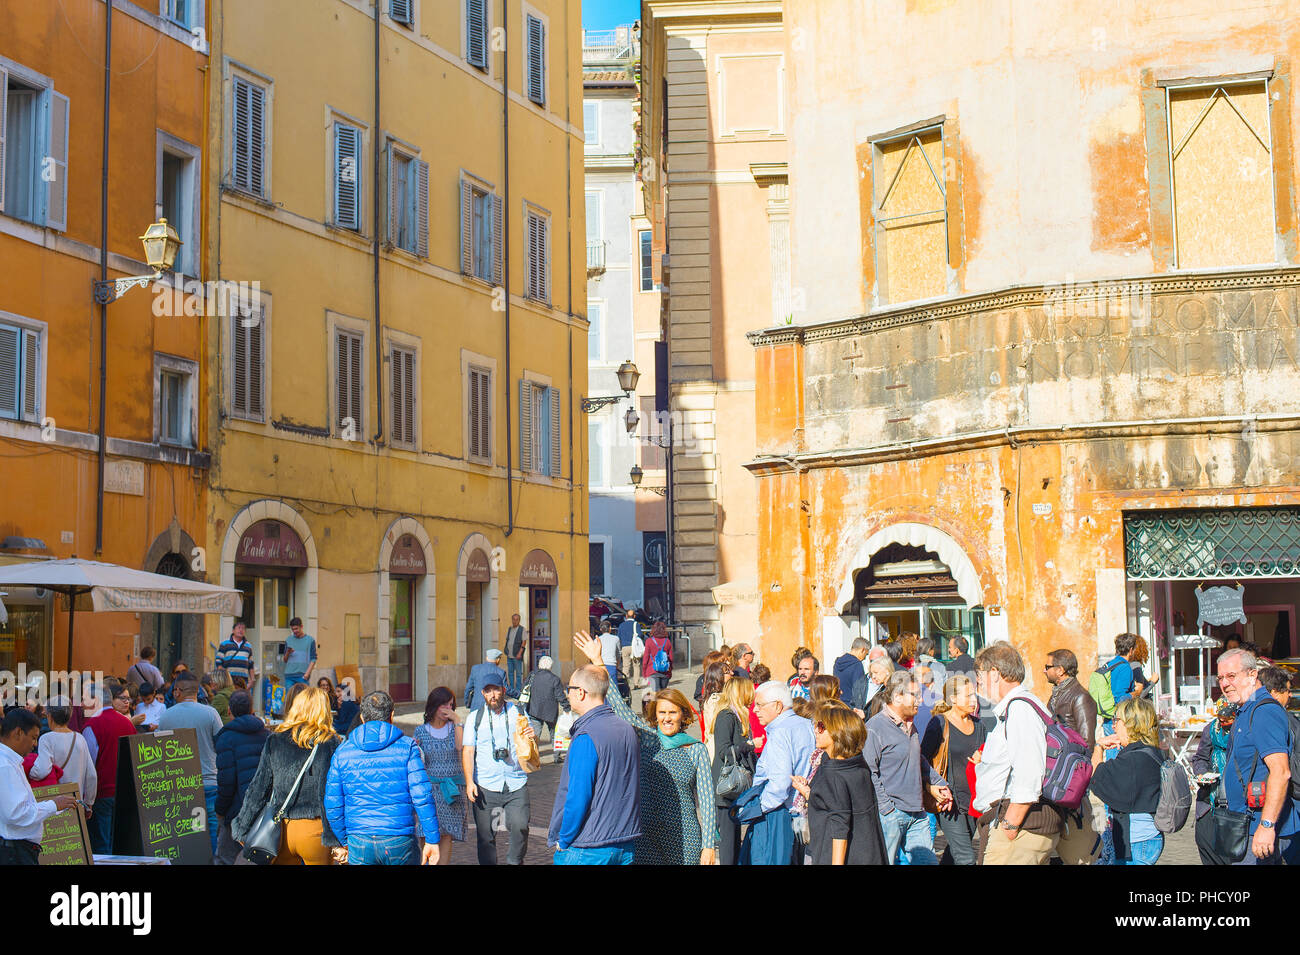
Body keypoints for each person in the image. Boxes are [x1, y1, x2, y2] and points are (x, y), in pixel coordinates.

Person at [573, 632, 717, 864]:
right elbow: (619, 707)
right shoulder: (648, 738)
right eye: (662, 713)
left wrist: (708, 845)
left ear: (683, 715)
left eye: (673, 712)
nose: (667, 718)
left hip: (684, 836)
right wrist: (599, 662)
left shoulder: (695, 749)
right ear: (655, 715)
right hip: (644, 835)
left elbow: (707, 802)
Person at [973, 642, 1062, 865]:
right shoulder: (1017, 707)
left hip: (1018, 827)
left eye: (979, 677)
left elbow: (1029, 770)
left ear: (994, 673)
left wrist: (1010, 825)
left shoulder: (1020, 708)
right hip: (1014, 824)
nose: (978, 684)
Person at [325, 690, 439, 865]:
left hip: (359, 838)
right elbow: (422, 795)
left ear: (362, 718)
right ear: (392, 715)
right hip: (399, 837)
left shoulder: (343, 751)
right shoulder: (407, 747)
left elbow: (333, 804)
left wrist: (346, 840)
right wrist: (432, 839)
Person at [233, 688, 342, 865]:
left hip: (280, 829)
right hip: (314, 829)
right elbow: (328, 794)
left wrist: (242, 827)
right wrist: (335, 837)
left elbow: (258, 788)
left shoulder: (275, 740)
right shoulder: (328, 742)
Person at [548, 662, 642, 864]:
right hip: (624, 842)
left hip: (589, 846)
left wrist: (563, 839)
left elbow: (578, 795)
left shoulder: (586, 735)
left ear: (580, 692)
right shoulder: (626, 729)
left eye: (569, 689)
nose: (568, 694)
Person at [1216, 648, 1300, 864]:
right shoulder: (1246, 708)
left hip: (1260, 827)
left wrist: (1267, 825)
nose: (1225, 684)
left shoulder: (1264, 711)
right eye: (1221, 678)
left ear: (1253, 675)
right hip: (1245, 825)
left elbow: (1280, 772)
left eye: (1232, 676)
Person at [864, 671, 952, 865]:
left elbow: (918, 760)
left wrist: (939, 782)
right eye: (914, 695)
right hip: (890, 813)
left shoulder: (910, 726)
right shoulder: (875, 727)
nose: (920, 700)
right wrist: (887, 808)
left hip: (917, 812)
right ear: (897, 697)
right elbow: (869, 771)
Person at [792, 701, 887, 865]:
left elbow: (839, 828)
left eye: (821, 726)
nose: (816, 730)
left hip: (840, 856)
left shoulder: (834, 772)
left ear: (837, 732)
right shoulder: (857, 763)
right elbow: (839, 803)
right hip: (868, 852)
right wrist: (808, 791)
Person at [462, 673, 533, 865]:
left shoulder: (518, 712)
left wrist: (531, 734)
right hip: (486, 785)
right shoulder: (475, 718)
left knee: (520, 826)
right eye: (487, 691)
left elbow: (529, 737)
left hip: (516, 782)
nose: (492, 695)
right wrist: (469, 782)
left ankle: (514, 861)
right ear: (483, 694)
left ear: (503, 690)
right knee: (486, 838)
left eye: (495, 689)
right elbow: (468, 751)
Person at [1088, 697, 1165, 865]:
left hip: (1136, 843)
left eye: (1117, 720)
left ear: (1131, 724)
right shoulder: (1150, 752)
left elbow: (1095, 776)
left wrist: (1098, 747)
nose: (1114, 725)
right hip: (1148, 837)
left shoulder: (1133, 760)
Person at [746, 680, 816, 865]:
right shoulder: (807, 725)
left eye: (759, 705)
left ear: (778, 706)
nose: (755, 710)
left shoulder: (780, 733)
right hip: (802, 814)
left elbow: (779, 784)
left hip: (781, 816)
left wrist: (757, 808)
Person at [921, 673, 986, 865]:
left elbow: (988, 754)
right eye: (968, 696)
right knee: (966, 857)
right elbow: (922, 759)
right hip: (949, 800)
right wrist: (931, 787)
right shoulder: (940, 723)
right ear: (953, 698)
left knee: (954, 852)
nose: (974, 701)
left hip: (973, 799)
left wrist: (983, 758)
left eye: (974, 695)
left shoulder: (978, 725)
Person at [1045, 648, 1101, 864]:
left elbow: (1086, 742)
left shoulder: (1080, 696)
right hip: (1055, 771)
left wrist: (1077, 777)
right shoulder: (1058, 692)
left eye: (1048, 667)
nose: (1044, 671)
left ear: (1060, 670)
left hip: (1069, 774)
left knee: (1075, 837)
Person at [0, 709, 78, 865]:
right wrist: (53, 805)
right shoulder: (5, 765)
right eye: (33, 738)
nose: (34, 744)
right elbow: (16, 814)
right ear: (18, 733)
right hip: (15, 852)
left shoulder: (10, 762)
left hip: (18, 849)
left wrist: (55, 806)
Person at [159, 674, 225, 855]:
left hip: (180, 786)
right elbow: (221, 745)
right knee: (210, 830)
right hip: (209, 782)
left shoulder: (166, 717)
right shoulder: (210, 713)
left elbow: (159, 752)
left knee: (187, 834)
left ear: (178, 691)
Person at [214, 691, 269, 865]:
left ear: (229, 711)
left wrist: (220, 810)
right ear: (252, 709)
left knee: (225, 856)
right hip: (262, 809)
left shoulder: (226, 738)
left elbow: (226, 782)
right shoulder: (267, 735)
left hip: (236, 811)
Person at [413, 687, 467, 865]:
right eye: (444, 704)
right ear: (434, 706)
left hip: (451, 792)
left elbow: (460, 747)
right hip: (430, 792)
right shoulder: (421, 731)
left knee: (446, 836)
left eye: (451, 705)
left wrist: (458, 721)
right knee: (427, 835)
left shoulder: (456, 728)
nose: (448, 709)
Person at [82, 681, 136, 854]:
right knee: (119, 843)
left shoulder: (92, 726)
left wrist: (87, 800)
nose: (82, 704)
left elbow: (89, 766)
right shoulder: (127, 723)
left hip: (102, 793)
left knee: (101, 844)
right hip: (124, 792)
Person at [710, 675, 756, 865]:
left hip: (734, 789)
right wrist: (749, 745)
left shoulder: (736, 715)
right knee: (728, 842)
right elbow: (723, 751)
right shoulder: (726, 716)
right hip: (726, 786)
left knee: (734, 838)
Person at [1192, 697, 1240, 865]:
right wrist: (1201, 773)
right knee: (1206, 844)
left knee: (1229, 853)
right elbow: (1200, 758)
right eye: (1220, 717)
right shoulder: (1211, 729)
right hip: (1209, 799)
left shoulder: (1242, 730)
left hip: (1234, 802)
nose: (1223, 721)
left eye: (1227, 719)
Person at [37, 701, 97, 812]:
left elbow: (41, 771)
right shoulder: (80, 738)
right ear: (69, 716)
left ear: (50, 717)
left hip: (54, 804)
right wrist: (89, 803)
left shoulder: (46, 739)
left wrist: (29, 771)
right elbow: (91, 775)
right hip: (75, 803)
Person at [524, 656, 569, 762]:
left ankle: (533, 757)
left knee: (535, 735)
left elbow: (524, 689)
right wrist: (567, 708)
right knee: (554, 735)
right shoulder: (555, 679)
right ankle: (556, 757)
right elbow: (560, 696)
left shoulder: (532, 675)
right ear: (551, 666)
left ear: (539, 665)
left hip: (534, 710)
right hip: (551, 712)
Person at [698, 660, 731, 748]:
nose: (732, 673)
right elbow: (718, 728)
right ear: (718, 677)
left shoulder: (722, 696)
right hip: (718, 747)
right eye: (727, 672)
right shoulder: (715, 700)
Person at [215, 622, 257, 688]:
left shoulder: (248, 646)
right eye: (239, 628)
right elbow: (218, 662)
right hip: (229, 680)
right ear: (233, 630)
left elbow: (251, 664)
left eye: (243, 628)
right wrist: (224, 677)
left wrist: (252, 679)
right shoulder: (225, 644)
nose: (241, 630)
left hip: (243, 681)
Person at [282, 617, 317, 688]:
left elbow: (313, 659)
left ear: (301, 626)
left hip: (303, 676)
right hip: (289, 675)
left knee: (304, 698)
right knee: (290, 698)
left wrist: (307, 674)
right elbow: (285, 660)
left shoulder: (310, 640)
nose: (294, 631)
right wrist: (288, 652)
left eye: (296, 629)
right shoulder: (288, 639)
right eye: (292, 629)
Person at [641, 621, 674, 692]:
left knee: (655, 694)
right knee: (663, 694)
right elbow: (671, 658)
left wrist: (644, 672)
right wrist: (670, 671)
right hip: (665, 671)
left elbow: (645, 658)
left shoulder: (649, 641)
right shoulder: (667, 641)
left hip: (652, 671)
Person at [504, 614, 528, 697]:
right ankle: (511, 689)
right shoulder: (509, 629)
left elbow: (524, 642)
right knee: (510, 673)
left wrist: (520, 653)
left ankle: (517, 690)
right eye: (513, 619)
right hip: (509, 655)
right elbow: (507, 640)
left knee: (518, 674)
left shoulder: (522, 629)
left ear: (519, 620)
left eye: (517, 619)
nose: (515, 621)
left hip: (517, 655)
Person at [618, 616, 643, 691]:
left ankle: (626, 684)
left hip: (625, 647)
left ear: (626, 616)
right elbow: (640, 634)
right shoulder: (636, 624)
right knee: (636, 665)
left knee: (626, 666)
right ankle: (636, 684)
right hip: (634, 647)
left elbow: (619, 636)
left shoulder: (621, 625)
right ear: (634, 616)